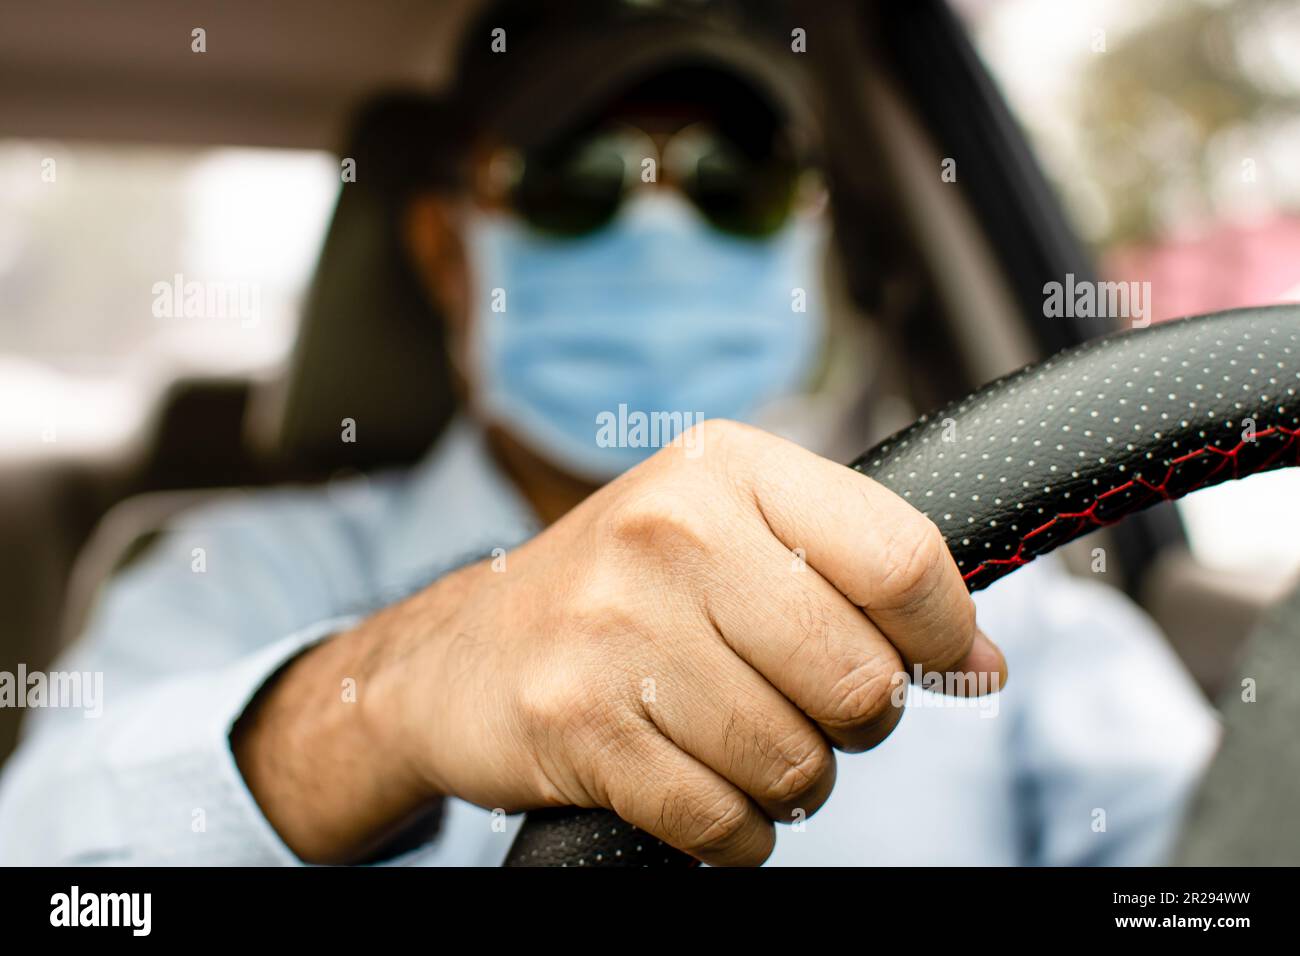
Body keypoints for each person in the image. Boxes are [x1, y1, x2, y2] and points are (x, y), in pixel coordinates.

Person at [0, 1, 1216, 866]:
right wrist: (396, 691)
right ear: (442, 248)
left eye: (732, 183)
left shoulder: (1001, 599)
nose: (663, 235)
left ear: (807, 236)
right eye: (573, 180)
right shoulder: (233, 573)